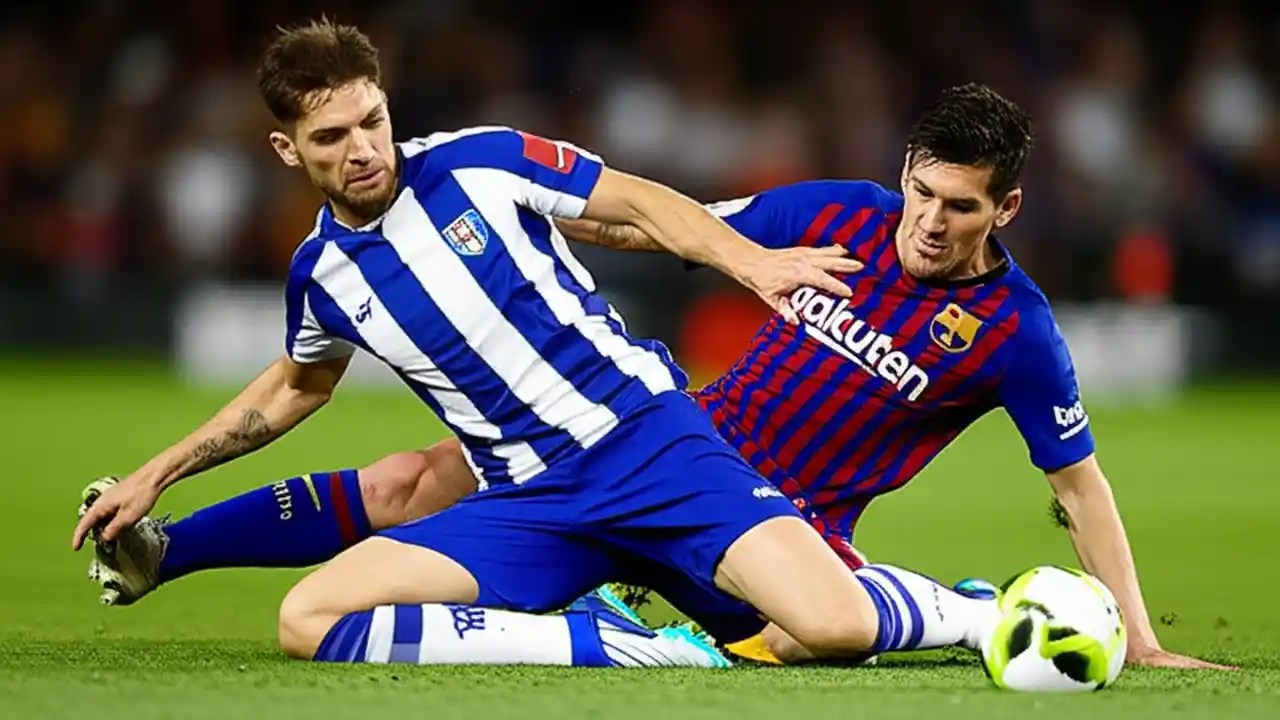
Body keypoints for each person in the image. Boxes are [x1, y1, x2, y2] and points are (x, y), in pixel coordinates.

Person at [73, 18, 1001, 669]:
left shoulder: (479, 161)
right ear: (289, 152)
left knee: (831, 626)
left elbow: (636, 200)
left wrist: (749, 263)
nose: (362, 147)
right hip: (531, 502)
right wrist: (158, 472)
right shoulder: (323, 274)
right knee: (308, 617)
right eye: (331, 136)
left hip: (650, 445)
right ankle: (607, 645)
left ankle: (964, 609)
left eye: (372, 120)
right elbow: (293, 389)